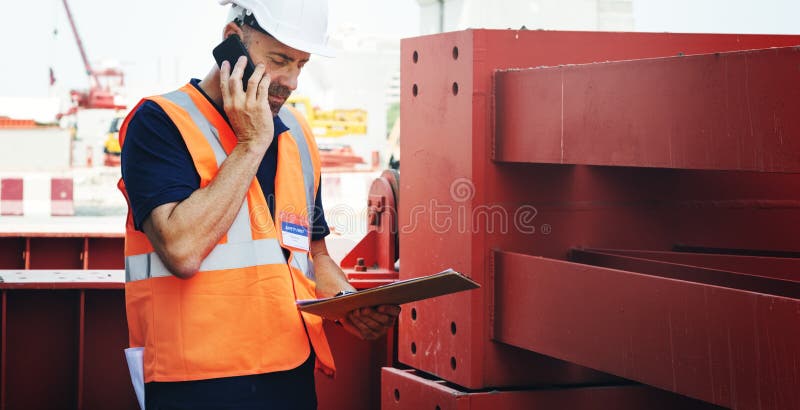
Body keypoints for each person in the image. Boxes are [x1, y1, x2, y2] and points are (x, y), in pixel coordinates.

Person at [118, 1, 400, 408]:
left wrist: (347, 304)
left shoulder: (297, 134)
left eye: (301, 64)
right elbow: (181, 249)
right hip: (196, 384)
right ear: (233, 41)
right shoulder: (160, 122)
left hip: (289, 377)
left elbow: (310, 254)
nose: (292, 81)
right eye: (280, 59)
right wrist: (252, 143)